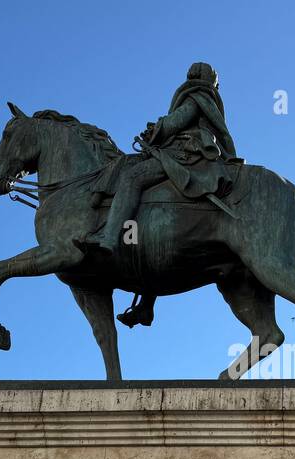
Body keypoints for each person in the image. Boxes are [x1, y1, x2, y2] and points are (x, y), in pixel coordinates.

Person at [84, 62, 239, 327]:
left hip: (185, 155)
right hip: (184, 153)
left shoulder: (195, 96)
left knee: (133, 177)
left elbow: (179, 121)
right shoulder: (208, 98)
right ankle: (145, 305)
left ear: (196, 77)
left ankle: (109, 236)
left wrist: (157, 129)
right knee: (149, 215)